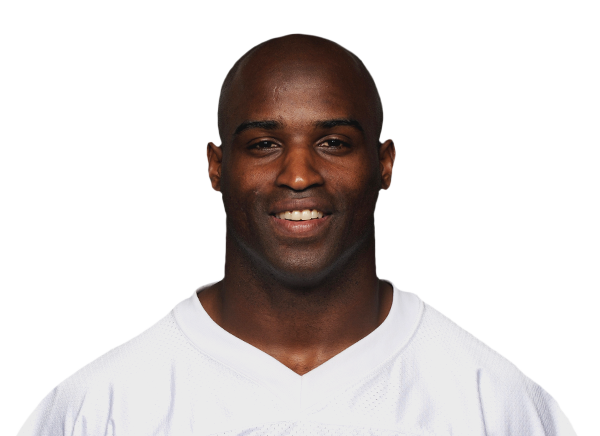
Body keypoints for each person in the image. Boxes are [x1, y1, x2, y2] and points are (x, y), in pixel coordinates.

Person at [17, 33, 577, 436]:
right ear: (216, 167)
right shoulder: (98, 409)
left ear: (384, 164)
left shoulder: (498, 405)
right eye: (264, 144)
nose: (300, 174)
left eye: (334, 142)